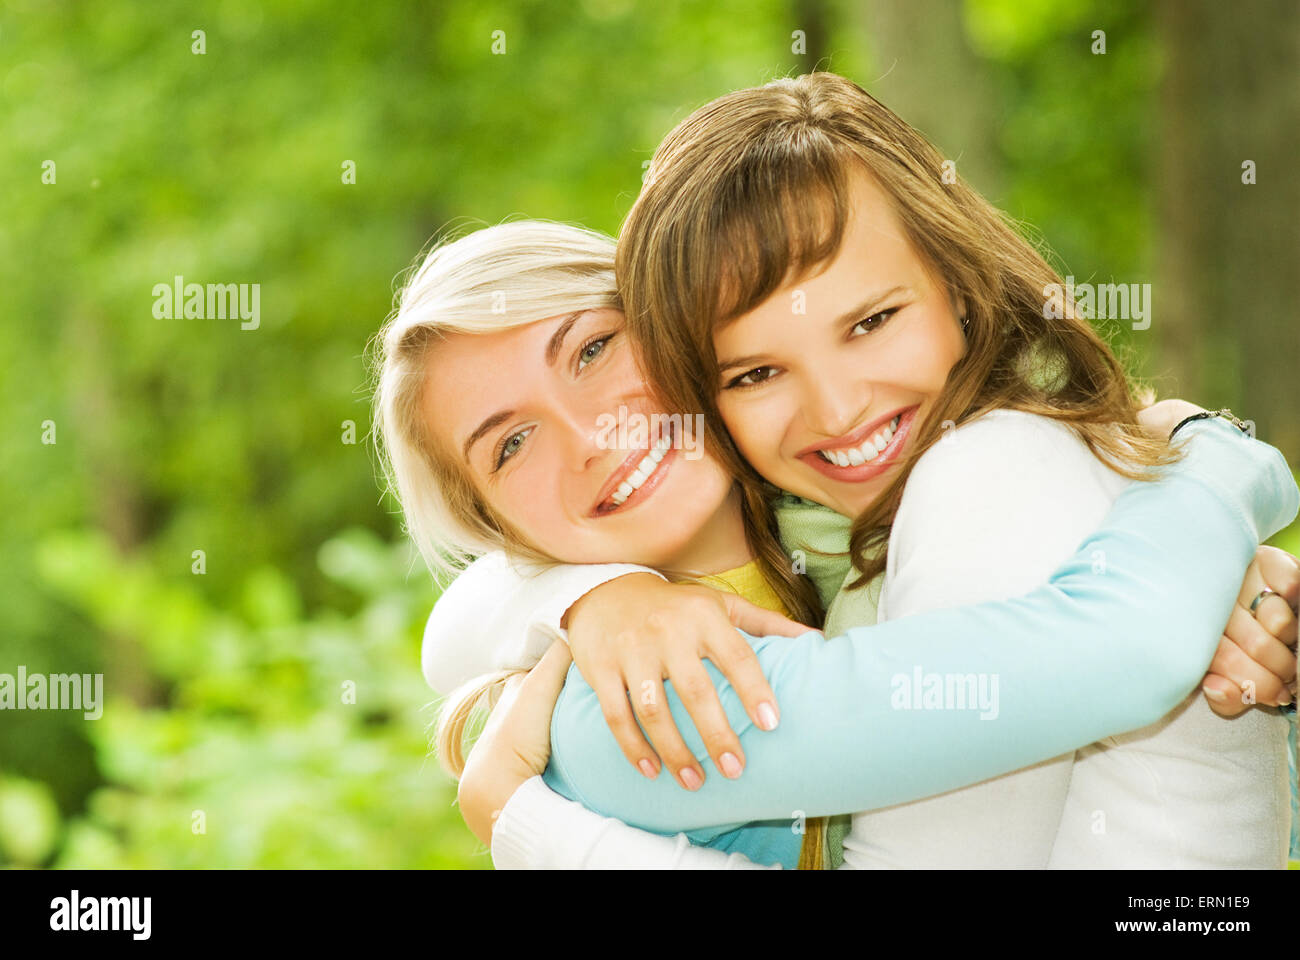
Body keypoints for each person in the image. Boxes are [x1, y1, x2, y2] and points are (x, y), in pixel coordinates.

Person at [372, 213, 1298, 869]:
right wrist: (1207, 466)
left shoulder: (842, 515)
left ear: (674, 321)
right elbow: (1123, 649)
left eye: (591, 349)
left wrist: (1190, 558)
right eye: (513, 443)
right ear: (496, 529)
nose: (589, 434)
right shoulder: (604, 705)